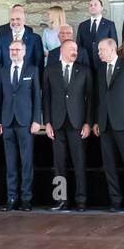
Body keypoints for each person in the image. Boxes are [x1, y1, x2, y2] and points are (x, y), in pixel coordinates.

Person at [93, 37, 124, 212]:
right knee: (109, 165)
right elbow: (97, 97)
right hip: (105, 124)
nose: (99, 53)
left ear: (112, 49)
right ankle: (115, 200)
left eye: (101, 50)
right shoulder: (100, 69)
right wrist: (97, 121)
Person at [44, 39, 92, 211]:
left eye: (76, 49)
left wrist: (88, 122)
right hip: (57, 124)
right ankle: (61, 200)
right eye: (71, 48)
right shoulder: (50, 70)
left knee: (79, 163)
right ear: (62, 50)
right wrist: (47, 122)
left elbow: (90, 99)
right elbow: (46, 98)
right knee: (59, 163)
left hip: (77, 123)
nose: (75, 52)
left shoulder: (84, 70)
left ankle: (81, 200)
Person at [0, 38, 42, 212]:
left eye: (17, 50)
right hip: (7, 122)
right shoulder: (2, 71)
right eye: (11, 50)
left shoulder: (33, 70)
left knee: (26, 163)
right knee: (11, 163)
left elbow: (37, 97)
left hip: (26, 123)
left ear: (24, 51)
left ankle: (26, 199)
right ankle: (12, 198)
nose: (14, 52)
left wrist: (37, 120)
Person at [0, 4, 43, 71]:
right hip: (7, 79)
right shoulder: (2, 40)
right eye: (12, 19)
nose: (15, 22)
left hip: (28, 80)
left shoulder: (35, 39)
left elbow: (38, 64)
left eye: (18, 19)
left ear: (24, 21)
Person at [77, 0, 118, 68]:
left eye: (95, 5)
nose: (93, 7)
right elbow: (79, 44)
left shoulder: (109, 24)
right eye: (90, 5)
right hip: (86, 63)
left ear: (101, 8)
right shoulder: (82, 25)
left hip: (104, 62)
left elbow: (114, 44)